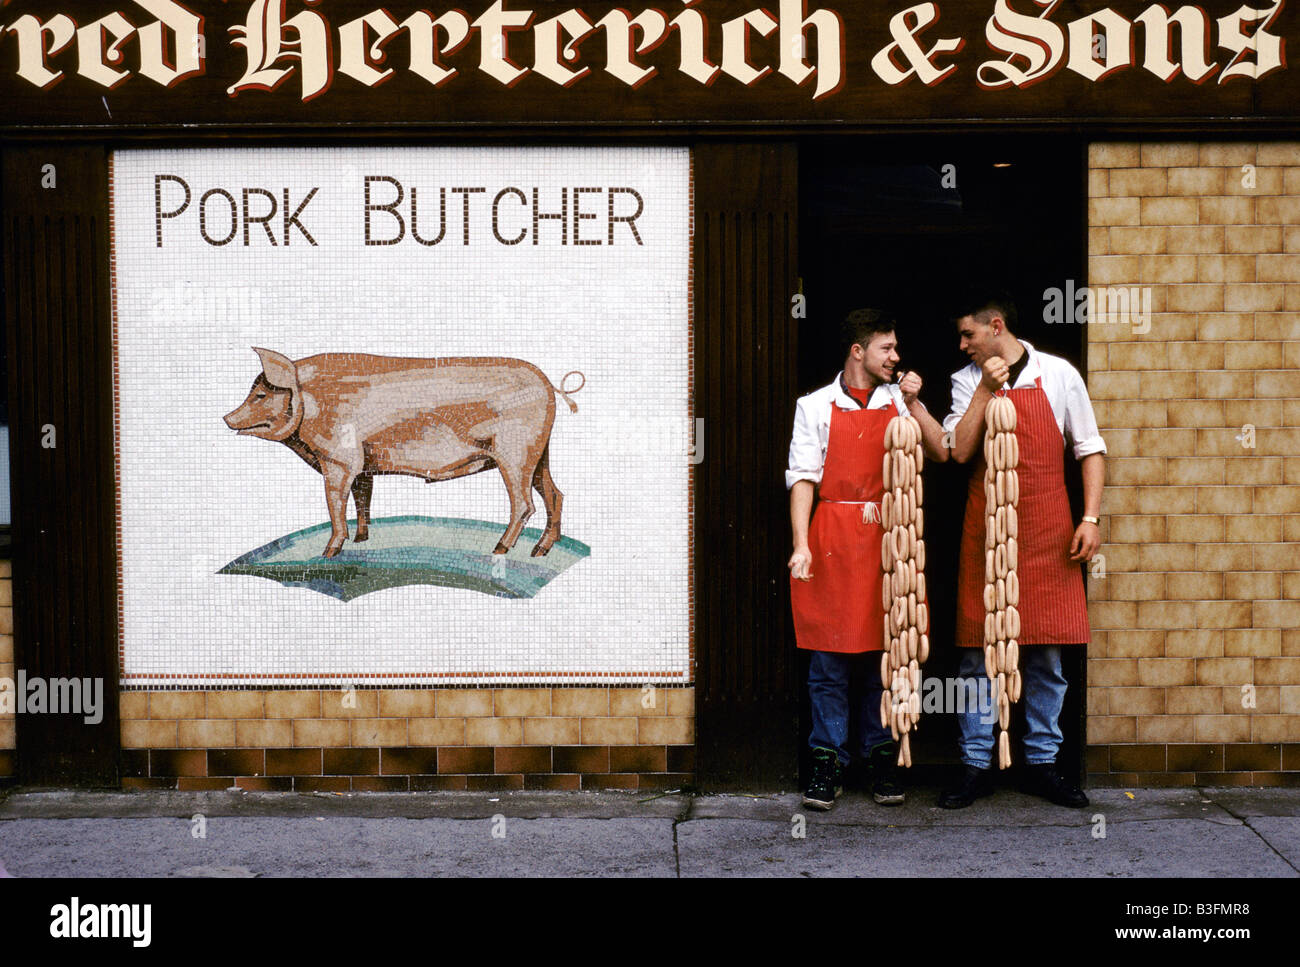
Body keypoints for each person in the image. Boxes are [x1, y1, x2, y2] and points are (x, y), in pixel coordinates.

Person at [939, 290, 1105, 809]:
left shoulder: (1058, 374)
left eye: (968, 334)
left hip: (1048, 527)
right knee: (977, 653)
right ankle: (975, 763)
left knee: (1047, 654)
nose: (962, 344)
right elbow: (959, 450)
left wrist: (1090, 518)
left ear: (995, 326)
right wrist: (983, 391)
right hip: (986, 530)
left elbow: (1089, 449)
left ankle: (1042, 764)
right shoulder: (965, 380)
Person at [787, 309, 948, 810]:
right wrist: (801, 544)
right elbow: (803, 477)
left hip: (889, 541)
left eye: (895, 348)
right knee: (828, 660)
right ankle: (827, 761)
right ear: (858, 351)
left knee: (887, 654)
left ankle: (882, 757)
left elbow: (941, 451)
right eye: (887, 348)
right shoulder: (815, 405)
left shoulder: (899, 402)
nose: (896, 357)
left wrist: (915, 403)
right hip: (832, 538)